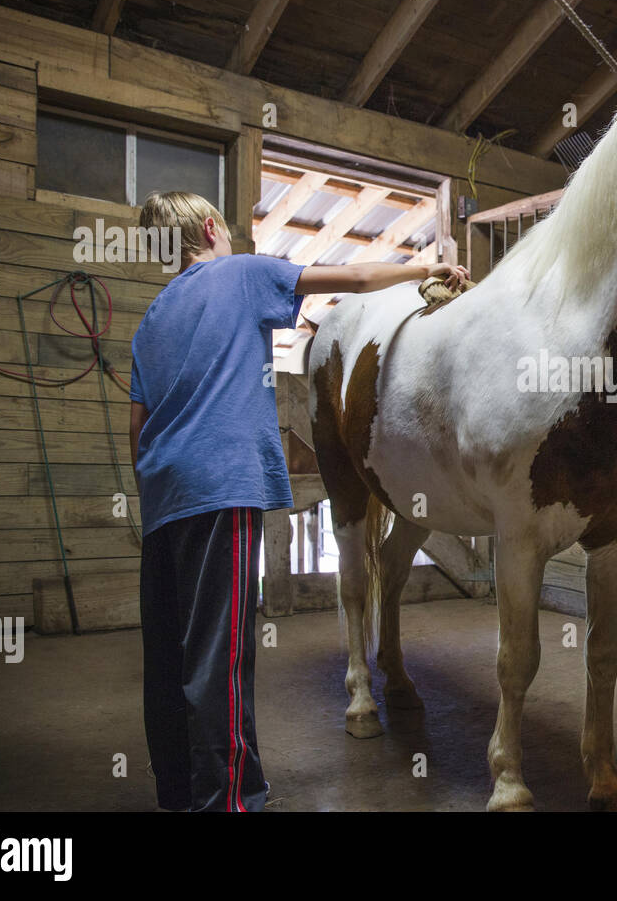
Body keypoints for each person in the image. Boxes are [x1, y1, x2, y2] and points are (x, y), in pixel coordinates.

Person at [128, 190, 467, 812]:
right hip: (220, 486)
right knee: (220, 656)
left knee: (169, 654)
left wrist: (154, 496)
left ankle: (177, 795)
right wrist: (427, 268)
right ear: (210, 227)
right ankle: (231, 801)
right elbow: (359, 276)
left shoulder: (151, 318)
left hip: (163, 498)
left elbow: (139, 423)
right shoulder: (243, 272)